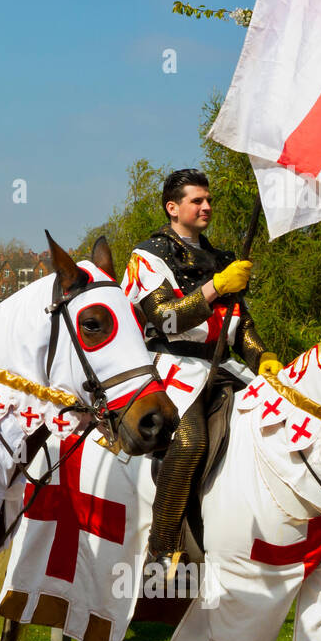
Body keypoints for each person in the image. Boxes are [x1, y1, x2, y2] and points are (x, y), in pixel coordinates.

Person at [123, 169, 282, 561]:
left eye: (209, 200)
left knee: (273, 429)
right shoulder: (148, 256)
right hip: (170, 365)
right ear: (172, 208)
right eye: (197, 201)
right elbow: (165, 318)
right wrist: (216, 288)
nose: (207, 206)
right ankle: (162, 548)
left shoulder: (224, 259)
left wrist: (262, 356)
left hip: (221, 367)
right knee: (190, 441)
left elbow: (238, 322)